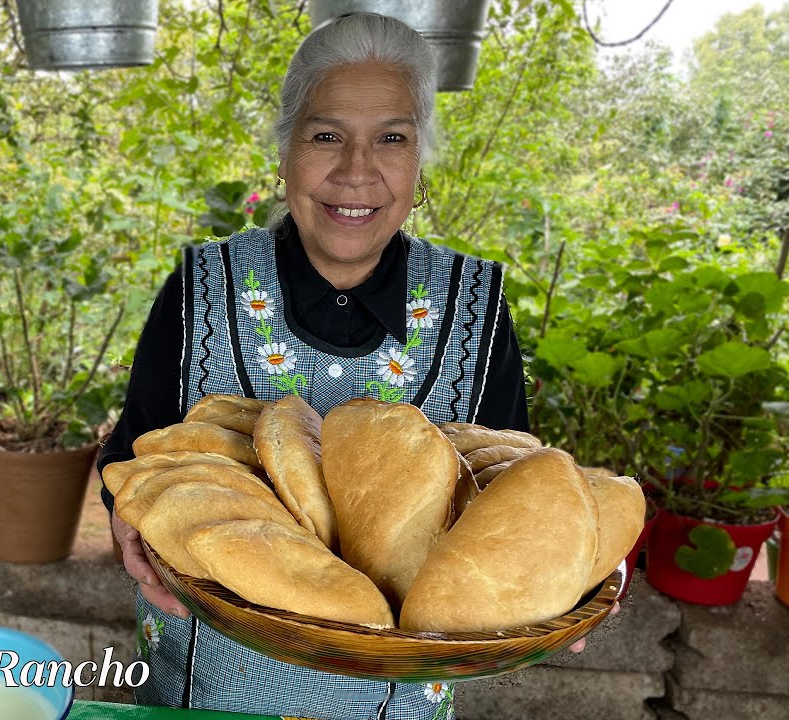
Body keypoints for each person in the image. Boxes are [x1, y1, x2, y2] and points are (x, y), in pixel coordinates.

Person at [99, 13, 533, 720]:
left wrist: (555, 580)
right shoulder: (201, 286)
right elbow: (133, 454)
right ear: (286, 153)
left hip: (396, 700)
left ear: (420, 161)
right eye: (326, 135)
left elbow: (506, 491)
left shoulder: (477, 309)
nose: (356, 171)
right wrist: (125, 520)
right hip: (205, 686)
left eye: (391, 138)